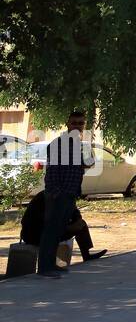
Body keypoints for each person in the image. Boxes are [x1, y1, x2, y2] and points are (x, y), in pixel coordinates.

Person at [37, 110, 95, 278]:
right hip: (58, 194)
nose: (77, 126)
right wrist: (56, 193)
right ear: (68, 124)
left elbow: (87, 164)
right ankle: (45, 268)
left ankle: (52, 264)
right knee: (50, 231)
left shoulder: (78, 145)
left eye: (81, 123)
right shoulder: (58, 144)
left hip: (70, 193)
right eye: (74, 122)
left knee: (58, 231)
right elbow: (52, 171)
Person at [22, 190, 107, 262]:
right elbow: (46, 222)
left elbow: (75, 213)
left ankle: (86, 255)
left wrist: (76, 221)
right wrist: (67, 227)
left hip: (53, 230)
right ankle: (49, 264)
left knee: (81, 224)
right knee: (55, 232)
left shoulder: (66, 197)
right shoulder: (46, 198)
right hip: (35, 234)